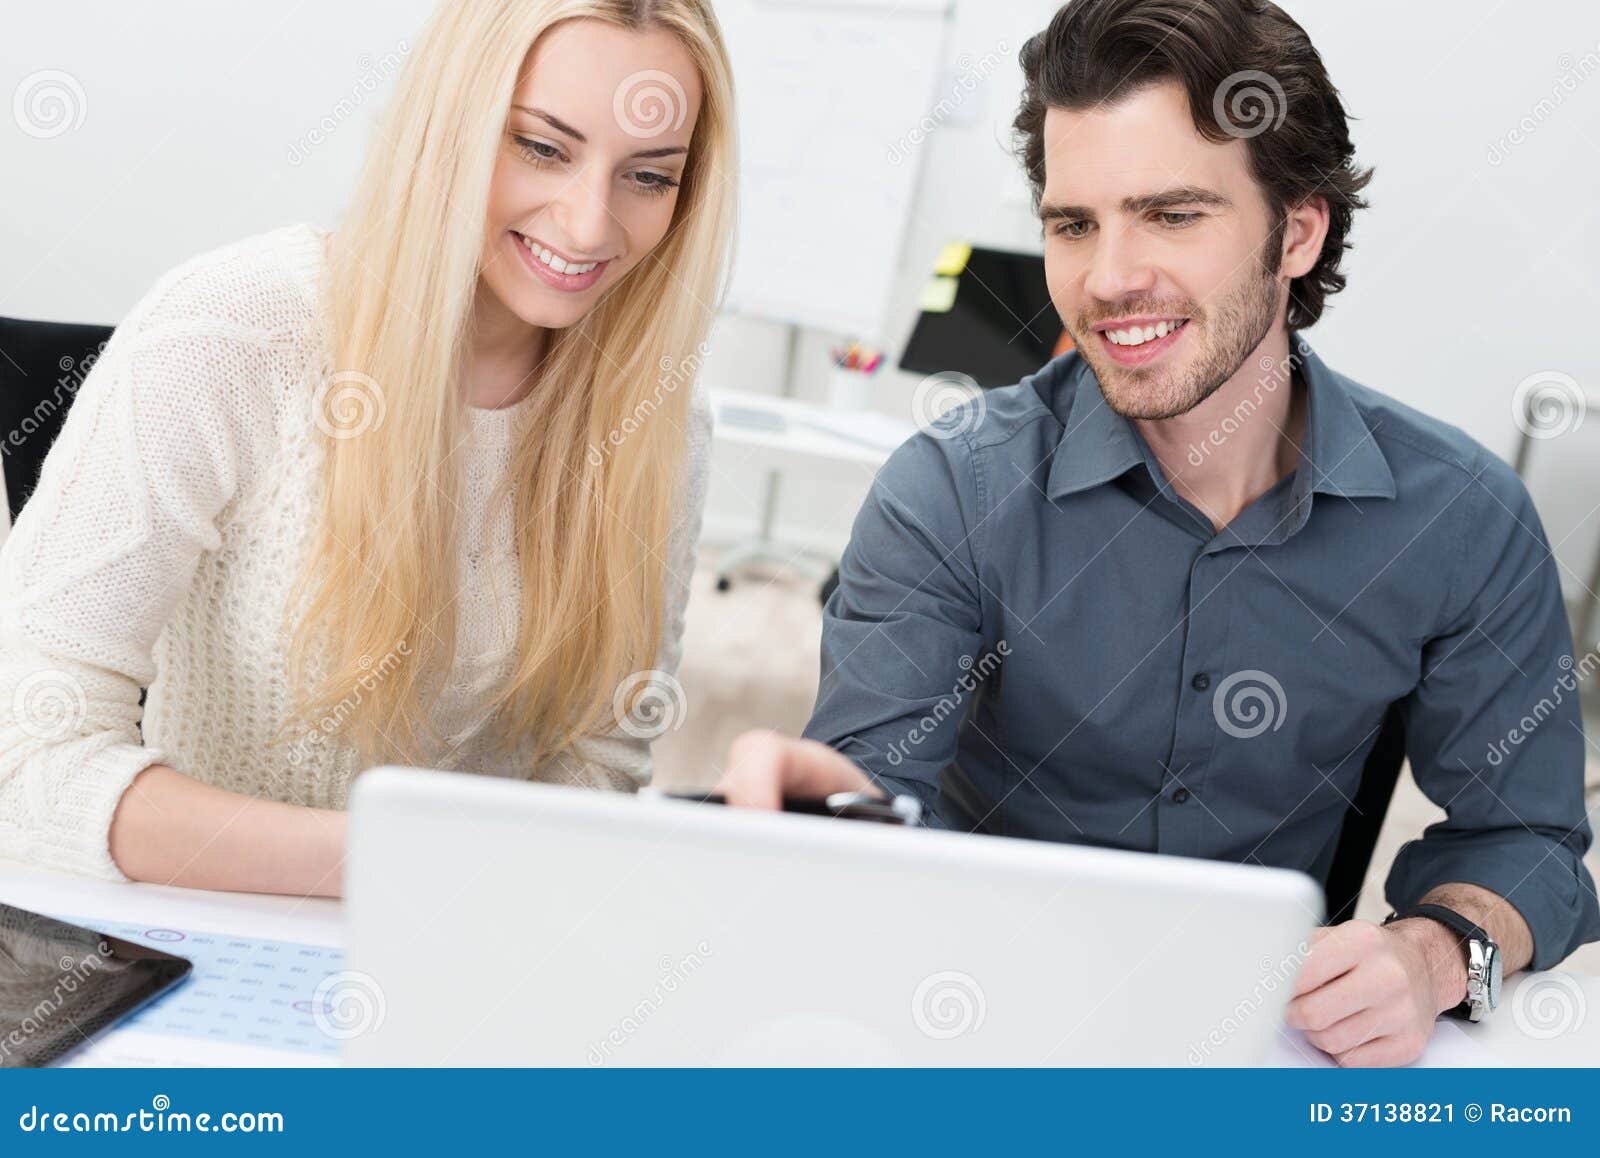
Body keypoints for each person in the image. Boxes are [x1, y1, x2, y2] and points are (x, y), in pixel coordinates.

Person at [718, 0, 1599, 1066]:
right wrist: (832, 811)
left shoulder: (1458, 518)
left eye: (1172, 215)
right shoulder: (953, 486)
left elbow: (1528, 841)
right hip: (965, 1025)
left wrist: (1436, 955)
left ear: (1299, 232)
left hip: (1251, 1054)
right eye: (1073, 224)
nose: (1107, 279)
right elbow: (872, 793)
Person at [0, 0, 736, 898]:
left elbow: (601, 759)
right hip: (204, 924)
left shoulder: (657, 417)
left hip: (462, 938)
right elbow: (26, 759)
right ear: (446, 127)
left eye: (649, 177)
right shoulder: (235, 332)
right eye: (542, 148)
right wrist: (401, 864)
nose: (589, 225)